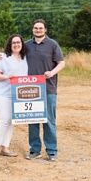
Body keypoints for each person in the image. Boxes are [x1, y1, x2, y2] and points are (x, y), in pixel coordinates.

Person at [24, 19, 66, 162]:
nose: (38, 30)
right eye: (36, 28)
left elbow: (61, 62)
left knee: (49, 120)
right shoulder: (27, 45)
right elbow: (15, 55)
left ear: (45, 30)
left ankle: (52, 151)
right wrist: (0, 56)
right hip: (30, 89)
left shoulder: (53, 45)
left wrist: (52, 72)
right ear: (32, 30)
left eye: (40, 28)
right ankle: (35, 150)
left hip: (48, 88)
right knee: (33, 120)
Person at [0, 34, 28, 160]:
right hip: (2, 94)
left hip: (16, 95)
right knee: (4, 118)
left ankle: (5, 147)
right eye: (13, 43)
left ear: (22, 44)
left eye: (18, 42)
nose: (16, 44)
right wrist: (6, 77)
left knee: (12, 120)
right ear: (10, 45)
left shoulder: (25, 58)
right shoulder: (3, 57)